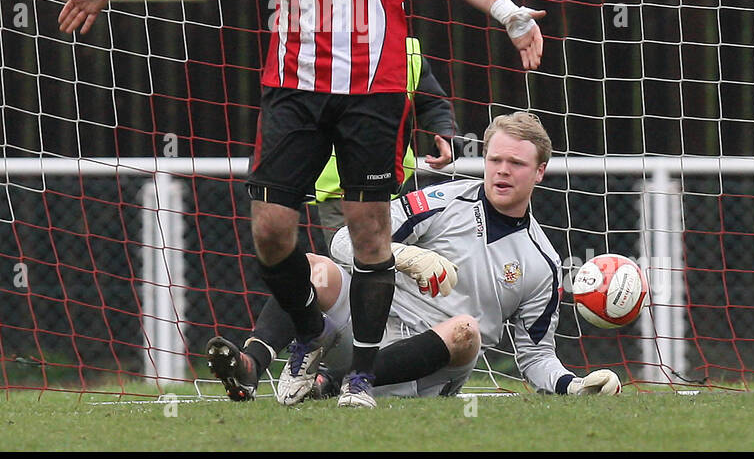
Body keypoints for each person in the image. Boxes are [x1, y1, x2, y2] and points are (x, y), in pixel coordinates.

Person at [57, 0, 546, 408]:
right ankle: (311, 330)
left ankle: (362, 379)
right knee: (270, 231)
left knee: (371, 236)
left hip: (372, 89)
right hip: (292, 86)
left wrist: (507, 12)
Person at [206, 112, 623, 404]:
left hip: (428, 370)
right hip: (369, 327)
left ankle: (333, 381)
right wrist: (404, 256)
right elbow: (343, 244)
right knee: (314, 267)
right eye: (495, 159)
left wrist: (571, 385)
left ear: (540, 172)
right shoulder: (441, 200)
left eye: (516, 163)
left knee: (465, 330)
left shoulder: (543, 263)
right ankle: (250, 365)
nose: (502, 170)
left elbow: (535, 356)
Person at [307, 35, 458, 247]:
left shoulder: (407, 49)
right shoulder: (318, 47)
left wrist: (445, 134)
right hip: (337, 196)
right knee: (356, 268)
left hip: (395, 190)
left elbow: (432, 103)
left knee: (396, 268)